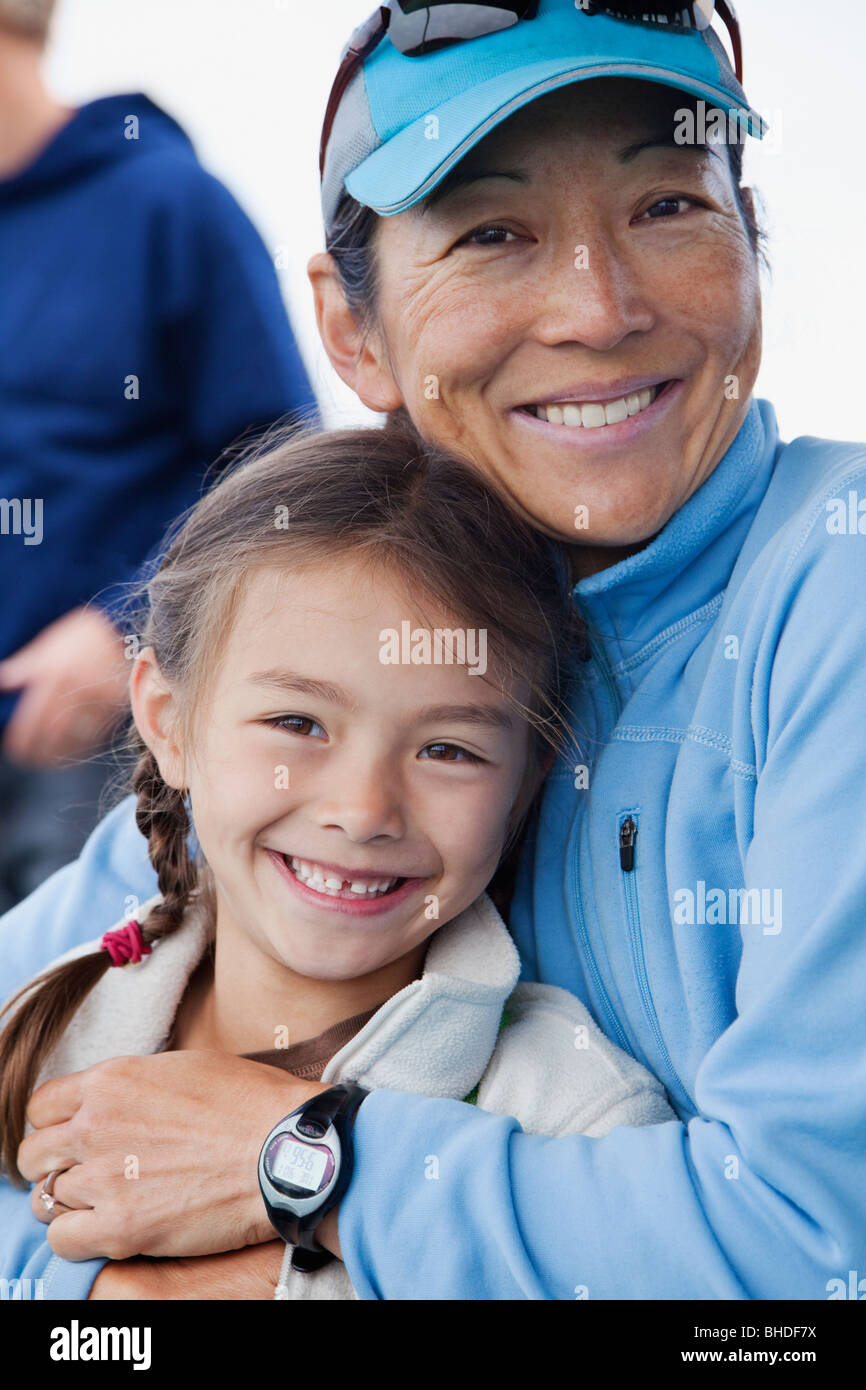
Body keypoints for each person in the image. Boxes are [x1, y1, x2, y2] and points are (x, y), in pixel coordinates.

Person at [2, 0, 865, 1300]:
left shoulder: (835, 585)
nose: (597, 305)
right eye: (492, 232)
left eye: (668, 205)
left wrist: (297, 1173)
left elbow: (816, 1244)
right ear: (350, 332)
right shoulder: (304, 656)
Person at [0, 423, 674, 1300]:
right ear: (167, 721)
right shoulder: (47, 1021)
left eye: (448, 750)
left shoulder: (574, 1121)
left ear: (524, 786)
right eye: (298, 724)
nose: (362, 812)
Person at [0, 0, 317, 911]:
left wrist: (124, 627)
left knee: (58, 1029)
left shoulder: (166, 206)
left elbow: (280, 473)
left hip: (96, 754)